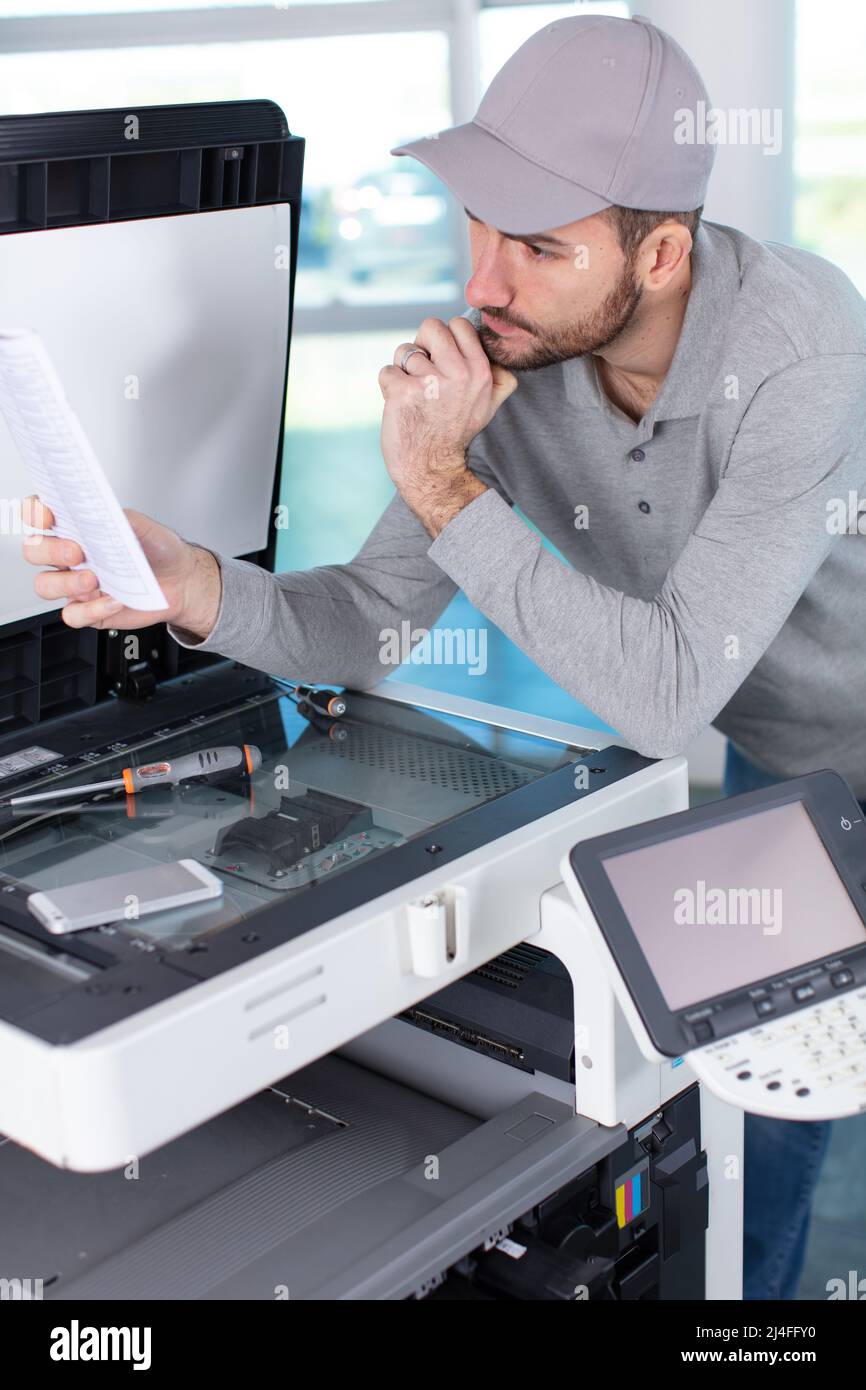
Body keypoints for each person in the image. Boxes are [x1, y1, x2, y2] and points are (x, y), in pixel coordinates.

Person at [22, 14, 866, 1299]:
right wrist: (197, 587)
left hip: (833, 706)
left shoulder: (803, 349)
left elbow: (665, 692)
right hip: (775, 729)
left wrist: (445, 487)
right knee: (752, 1064)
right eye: (477, 225)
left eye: (536, 246)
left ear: (660, 250)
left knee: (804, 1073)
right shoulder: (514, 361)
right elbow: (368, 616)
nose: (484, 284)